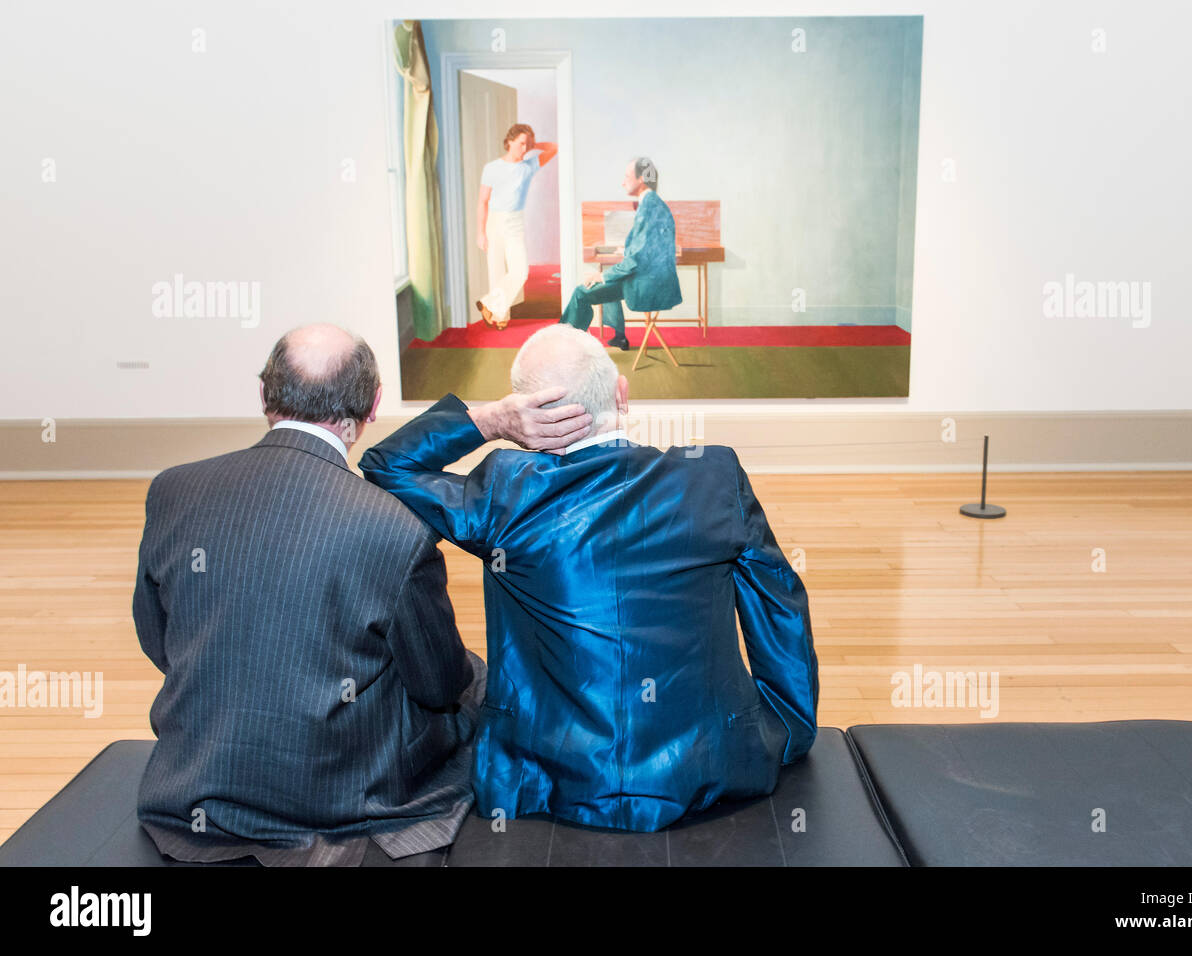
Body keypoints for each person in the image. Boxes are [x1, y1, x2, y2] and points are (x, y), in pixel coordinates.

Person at [132, 323, 588, 865]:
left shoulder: (173, 488)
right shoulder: (394, 526)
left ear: (262, 394)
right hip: (337, 795)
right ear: (372, 407)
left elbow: (158, 639)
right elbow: (438, 683)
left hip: (195, 781)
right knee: (481, 680)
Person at [360, 325, 819, 833]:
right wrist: (787, 731)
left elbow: (386, 464)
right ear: (621, 393)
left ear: (525, 413)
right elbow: (780, 608)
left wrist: (488, 421)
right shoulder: (714, 476)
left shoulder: (504, 493)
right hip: (713, 768)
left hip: (549, 778)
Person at [559, 157, 683, 350]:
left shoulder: (648, 207)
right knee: (611, 278)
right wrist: (625, 250)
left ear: (641, 179)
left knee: (581, 292)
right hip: (654, 280)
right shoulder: (653, 204)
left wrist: (602, 275)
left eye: (627, 176)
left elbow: (635, 261)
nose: (622, 182)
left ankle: (566, 345)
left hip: (648, 285)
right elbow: (648, 248)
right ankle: (619, 336)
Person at [475, 123, 558, 330]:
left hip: (514, 223)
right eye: (521, 143)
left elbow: (554, 148)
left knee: (520, 271)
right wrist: (480, 232)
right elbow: (483, 201)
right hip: (494, 222)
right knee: (496, 271)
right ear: (509, 141)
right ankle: (500, 315)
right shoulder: (491, 168)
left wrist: (532, 143)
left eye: (527, 145)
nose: (524, 149)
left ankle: (488, 303)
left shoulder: (529, 166)